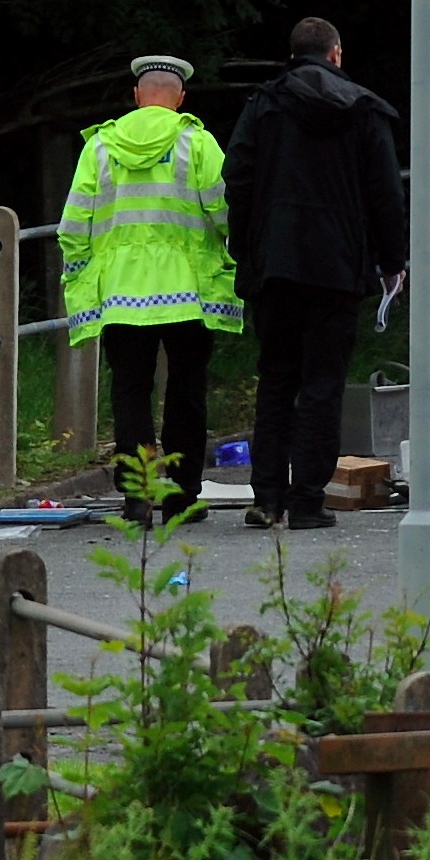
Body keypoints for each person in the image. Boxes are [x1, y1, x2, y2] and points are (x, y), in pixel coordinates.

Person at [223, 18, 406, 530]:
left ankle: (266, 499)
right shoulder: (364, 111)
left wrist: (249, 248)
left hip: (276, 264)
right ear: (336, 54)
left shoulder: (263, 105)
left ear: (293, 53)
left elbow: (236, 177)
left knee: (277, 379)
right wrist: (392, 261)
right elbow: (385, 194)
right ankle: (307, 501)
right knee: (323, 384)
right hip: (338, 266)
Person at [58, 56, 244, 526]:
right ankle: (182, 499)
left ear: (137, 96)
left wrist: (81, 280)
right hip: (187, 293)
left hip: (121, 295)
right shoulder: (197, 143)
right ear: (179, 98)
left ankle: (137, 499)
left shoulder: (98, 147)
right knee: (186, 392)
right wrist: (231, 262)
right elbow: (227, 213)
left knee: (130, 392)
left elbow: (73, 225)